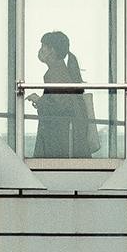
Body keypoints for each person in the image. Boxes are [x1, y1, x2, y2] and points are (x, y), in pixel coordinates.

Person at [32, 31, 93, 159]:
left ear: (52, 50)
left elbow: (63, 106)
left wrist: (39, 100)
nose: (40, 50)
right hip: (67, 139)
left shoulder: (55, 73)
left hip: (61, 141)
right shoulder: (61, 71)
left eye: (43, 46)